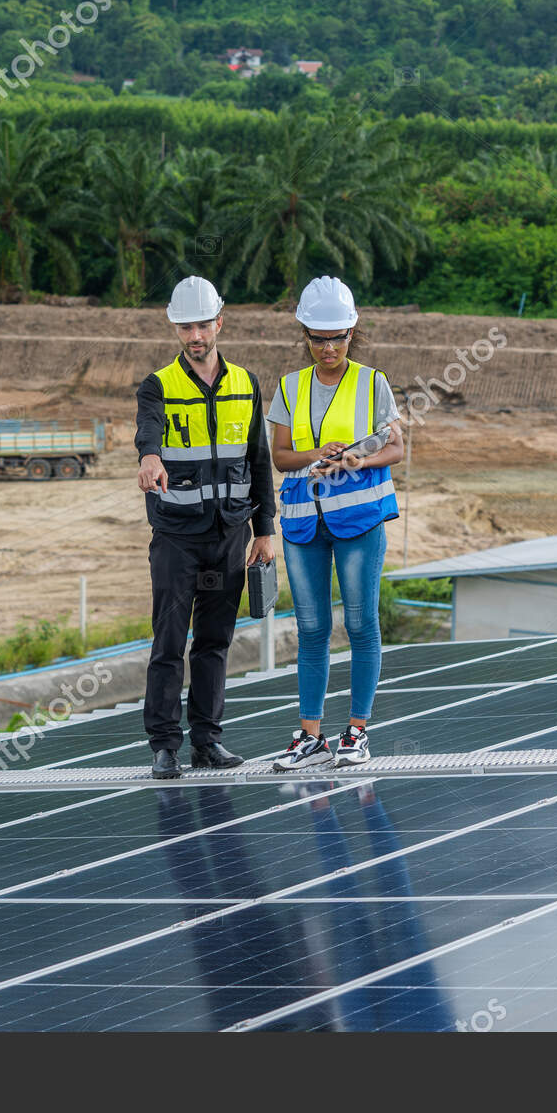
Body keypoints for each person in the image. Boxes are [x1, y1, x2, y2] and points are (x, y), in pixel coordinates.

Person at [136, 275, 277, 779]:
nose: (195, 335)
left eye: (202, 324)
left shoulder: (246, 382)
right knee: (169, 639)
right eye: (185, 326)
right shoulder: (158, 385)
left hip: (230, 534)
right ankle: (164, 745)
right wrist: (150, 457)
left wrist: (265, 529)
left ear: (220, 322)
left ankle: (206, 740)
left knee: (215, 640)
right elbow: (148, 430)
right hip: (176, 537)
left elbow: (258, 460)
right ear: (175, 328)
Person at [266, 276, 404, 771]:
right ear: (305, 335)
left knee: (361, 623)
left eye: (338, 337)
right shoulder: (288, 388)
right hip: (304, 523)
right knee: (311, 628)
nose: (328, 347)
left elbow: (395, 447)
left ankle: (357, 732)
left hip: (360, 520)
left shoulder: (372, 383)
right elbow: (281, 457)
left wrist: (353, 462)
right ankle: (310, 737)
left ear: (352, 332)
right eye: (319, 338)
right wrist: (314, 455)